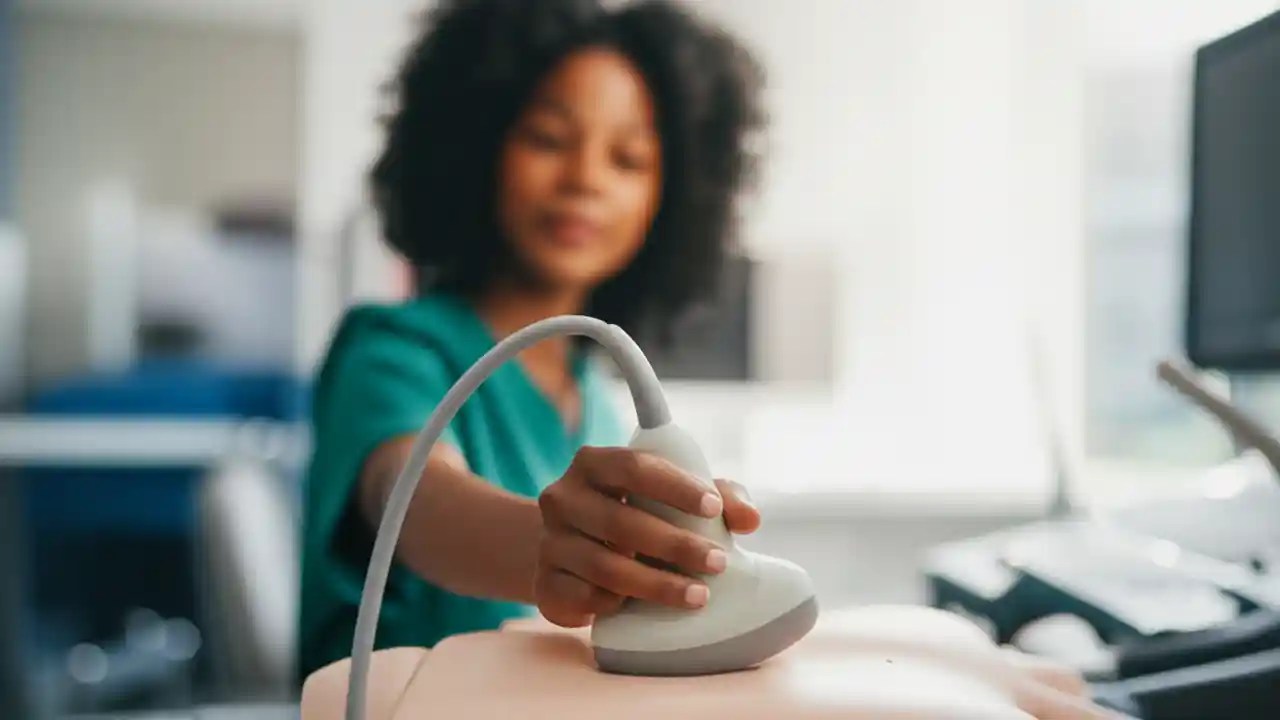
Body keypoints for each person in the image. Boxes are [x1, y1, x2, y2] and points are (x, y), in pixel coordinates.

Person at [298, 0, 765, 679]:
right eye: (549, 138)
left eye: (628, 158)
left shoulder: (595, 395)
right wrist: (555, 543)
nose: (585, 179)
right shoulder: (392, 352)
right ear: (477, 145)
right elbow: (418, 502)